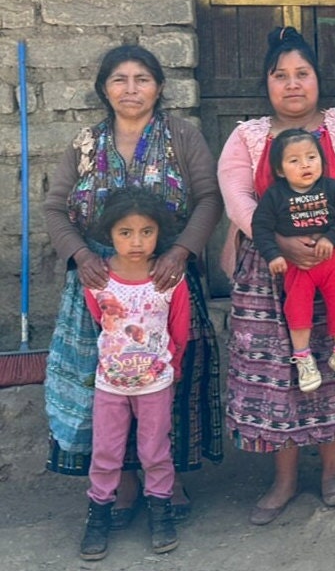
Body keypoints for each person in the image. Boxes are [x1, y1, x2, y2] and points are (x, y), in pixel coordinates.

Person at [43, 44, 223, 529]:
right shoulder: (85, 143)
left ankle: (170, 478)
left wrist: (181, 252)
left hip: (166, 283)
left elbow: (208, 199)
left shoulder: (182, 137)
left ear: (159, 87)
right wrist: (81, 257)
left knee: (167, 380)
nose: (130, 88)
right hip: (99, 291)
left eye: (142, 79)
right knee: (107, 389)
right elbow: (55, 208)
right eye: (119, 79)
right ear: (104, 88)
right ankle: (120, 482)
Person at [218, 26, 335, 524]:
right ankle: (285, 479)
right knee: (281, 372)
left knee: (334, 363)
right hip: (268, 270)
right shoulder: (247, 137)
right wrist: (283, 243)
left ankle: (334, 472)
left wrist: (329, 238)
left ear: (318, 79)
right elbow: (236, 198)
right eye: (280, 75)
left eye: (302, 74)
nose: (293, 84)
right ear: (266, 84)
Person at [79, 187, 189, 560]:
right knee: (106, 451)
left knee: (155, 450)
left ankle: (161, 513)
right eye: (125, 233)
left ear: (159, 233)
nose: (137, 241)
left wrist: (171, 366)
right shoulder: (98, 280)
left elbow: (180, 328)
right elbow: (101, 322)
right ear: (109, 235)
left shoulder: (169, 279)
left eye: (147, 232)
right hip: (110, 384)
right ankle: (98, 516)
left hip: (156, 383)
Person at [252, 128, 335, 392]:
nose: (305, 165)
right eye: (294, 161)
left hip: (333, 259)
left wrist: (331, 238)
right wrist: (274, 254)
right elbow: (261, 227)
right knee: (298, 309)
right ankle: (303, 358)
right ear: (280, 170)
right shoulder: (275, 196)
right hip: (297, 265)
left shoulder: (332, 189)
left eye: (311, 157)